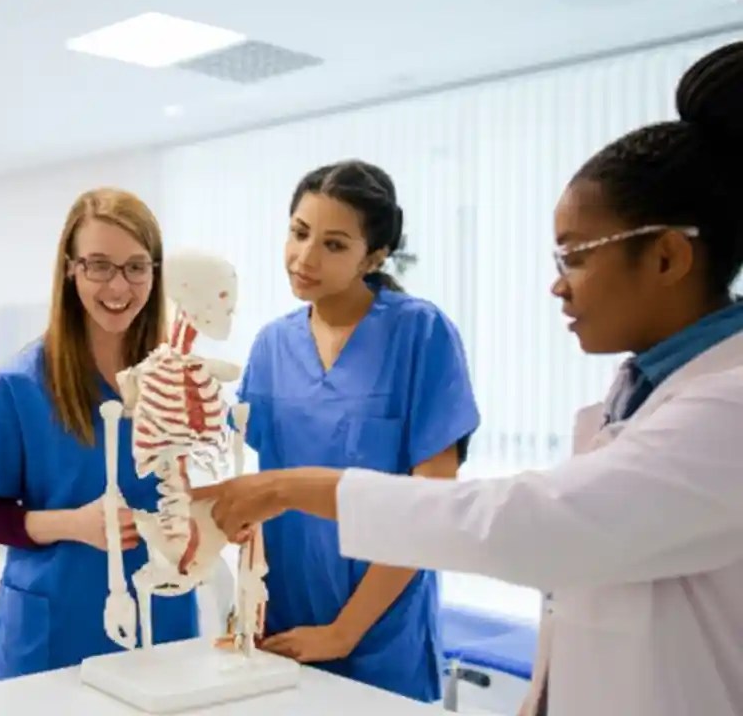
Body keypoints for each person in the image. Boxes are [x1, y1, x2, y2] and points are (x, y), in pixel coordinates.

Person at [193, 41, 743, 716]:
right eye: (299, 232)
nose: (556, 286)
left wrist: (285, 490)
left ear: (666, 257)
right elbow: (593, 594)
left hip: (381, 636)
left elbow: (524, 525)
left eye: (575, 257)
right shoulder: (643, 395)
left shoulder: (726, 407)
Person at [226, 160, 479, 702]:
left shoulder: (420, 333)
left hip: (381, 627)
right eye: (299, 233)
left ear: (375, 255)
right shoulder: (272, 346)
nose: (305, 257)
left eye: (334, 245)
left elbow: (433, 500)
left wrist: (345, 632)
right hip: (284, 615)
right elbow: (259, 484)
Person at [0, 187, 199, 683]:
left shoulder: (173, 377)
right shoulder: (21, 383)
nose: (118, 286)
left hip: (161, 610)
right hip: (57, 618)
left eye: (136, 266)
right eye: (98, 265)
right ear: (71, 268)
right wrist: (77, 524)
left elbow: (182, 489)